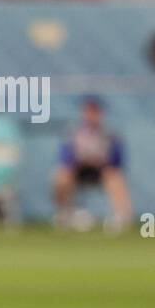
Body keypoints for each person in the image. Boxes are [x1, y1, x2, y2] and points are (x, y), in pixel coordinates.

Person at [53, 96, 132, 232]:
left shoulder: (109, 133)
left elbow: (118, 160)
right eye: (88, 111)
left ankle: (122, 217)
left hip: (101, 171)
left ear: (100, 113)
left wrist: (102, 161)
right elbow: (64, 156)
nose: (91, 115)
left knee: (114, 176)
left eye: (94, 111)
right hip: (78, 170)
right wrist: (78, 161)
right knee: (61, 175)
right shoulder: (73, 132)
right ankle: (64, 213)